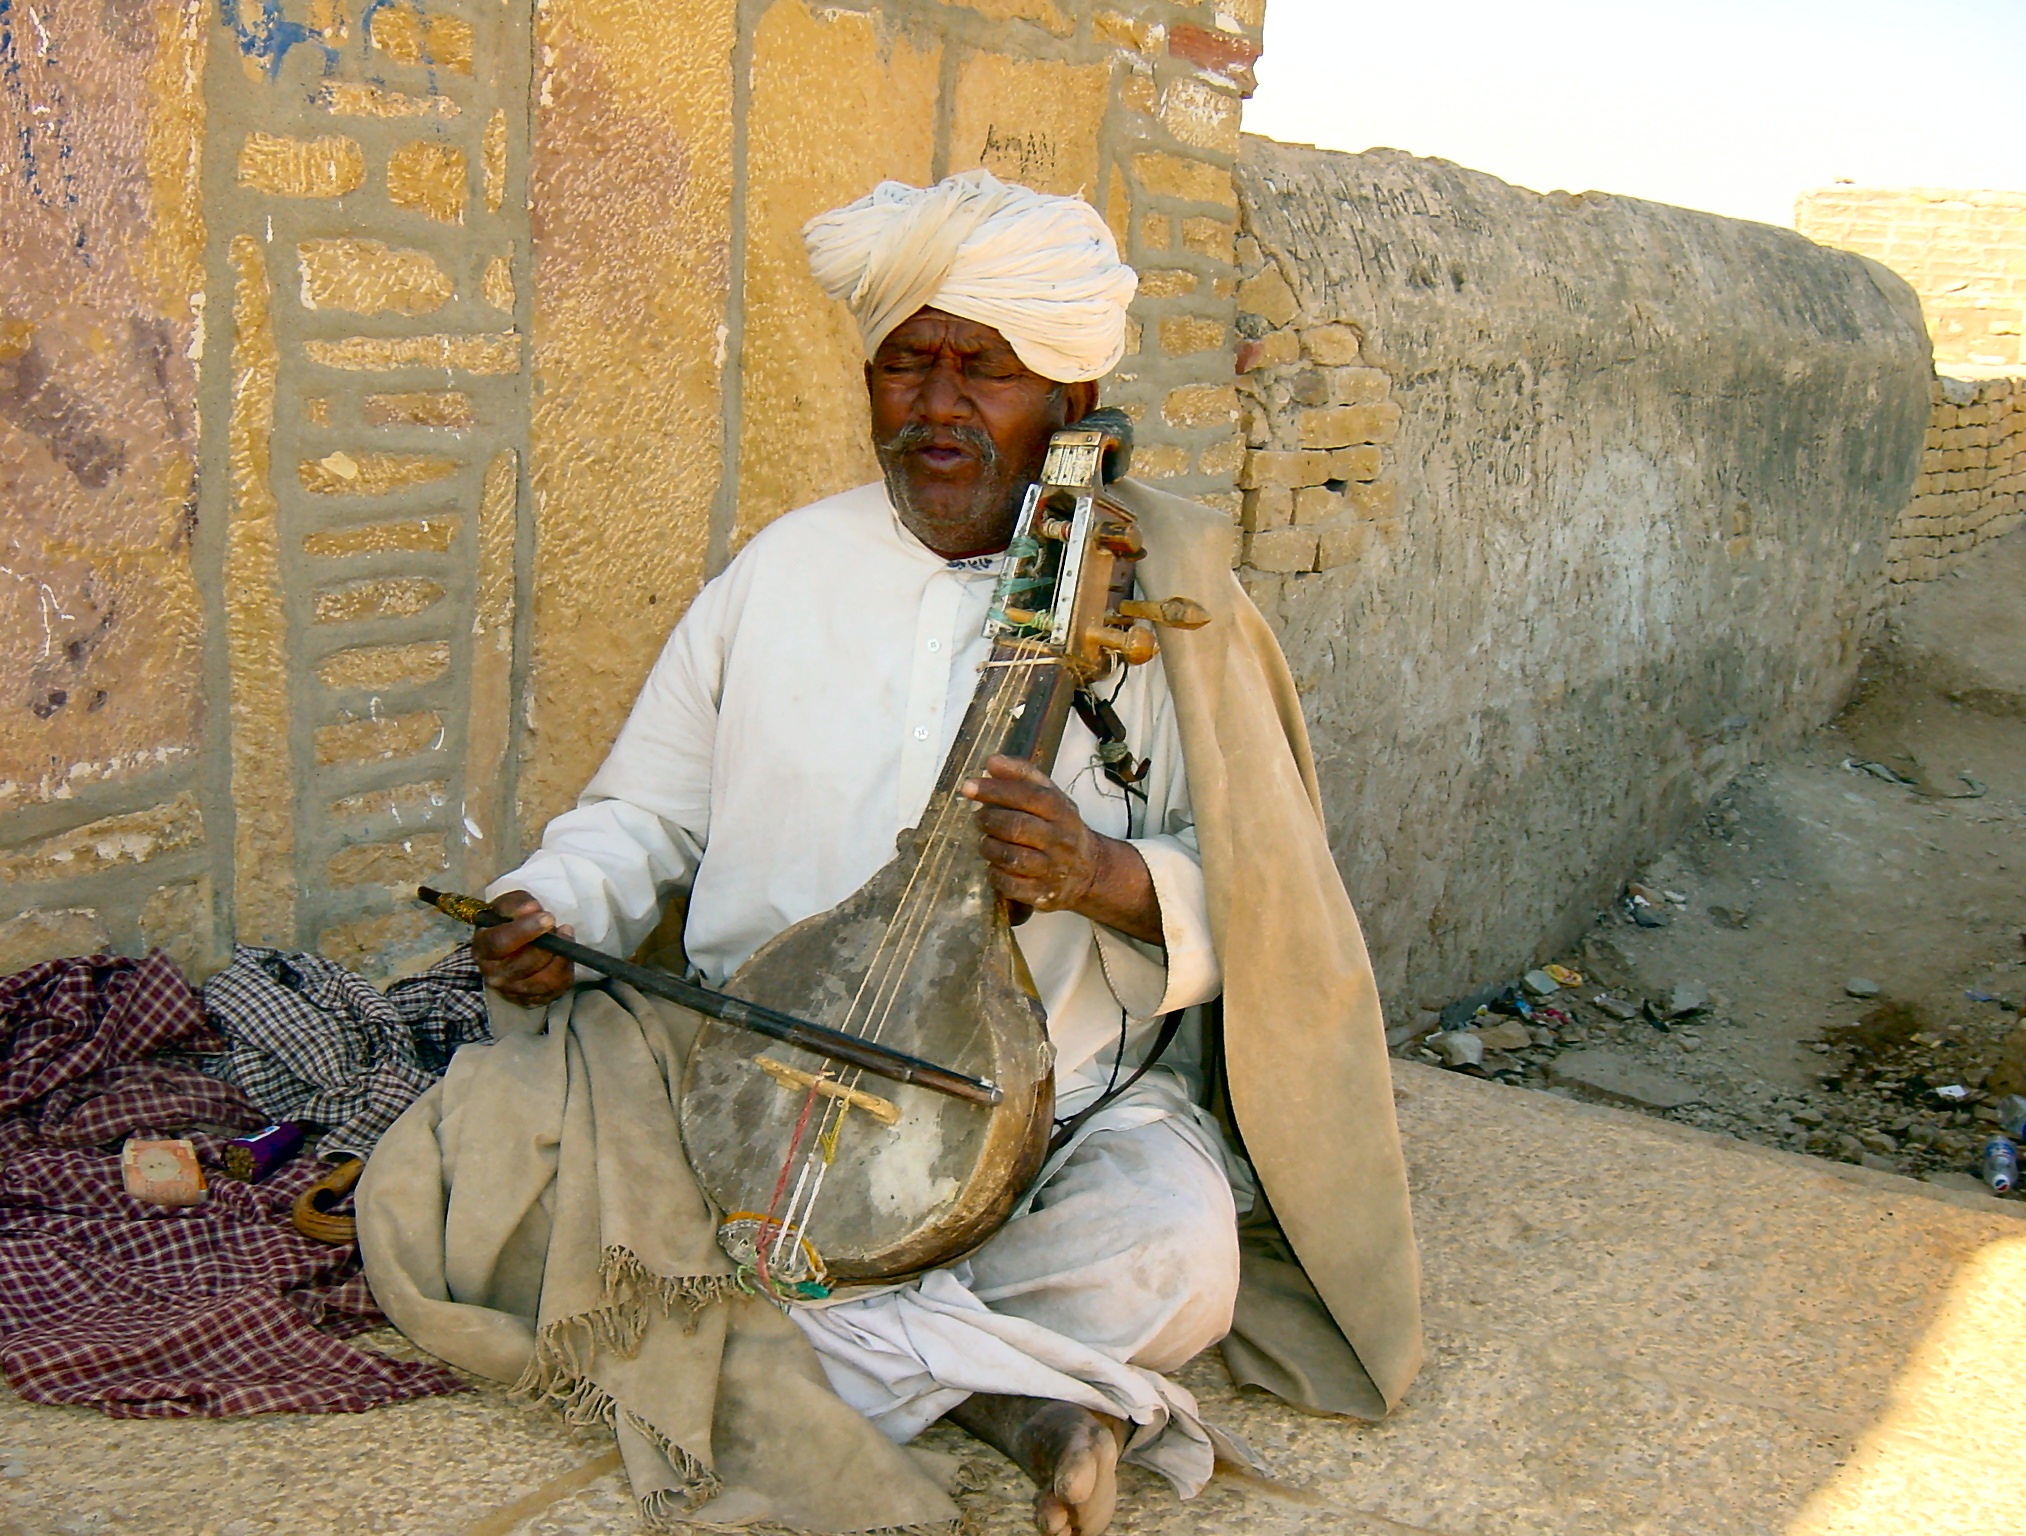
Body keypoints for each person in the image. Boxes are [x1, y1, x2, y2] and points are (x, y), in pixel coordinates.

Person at [364, 171, 1421, 1536]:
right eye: (904, 365)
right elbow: (646, 815)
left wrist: (1106, 877)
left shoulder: (1165, 616)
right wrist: (550, 903)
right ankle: (1016, 1395)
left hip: (1049, 1099)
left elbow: (1283, 917)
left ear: (1074, 406)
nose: (934, 408)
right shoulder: (780, 573)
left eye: (983, 369)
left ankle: (798, 1335)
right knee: (485, 1178)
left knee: (1177, 1263)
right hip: (754, 1066)